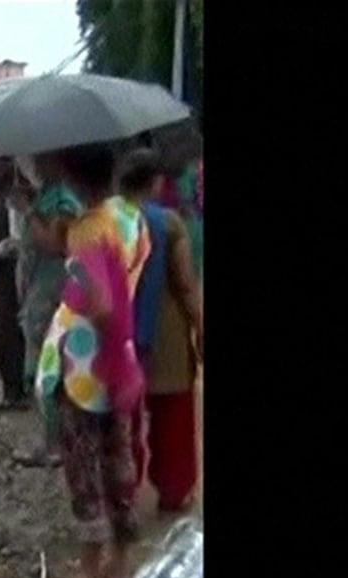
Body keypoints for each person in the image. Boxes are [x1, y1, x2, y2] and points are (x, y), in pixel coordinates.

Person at [34, 142, 146, 578]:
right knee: (116, 458)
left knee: (83, 469)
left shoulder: (85, 231)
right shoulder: (127, 217)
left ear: (71, 175)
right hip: (121, 359)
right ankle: (121, 560)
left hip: (87, 366)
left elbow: (97, 301)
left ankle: (89, 577)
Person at [120, 149, 203, 514]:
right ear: (155, 182)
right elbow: (185, 286)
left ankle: (123, 491)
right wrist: (200, 325)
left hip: (119, 336)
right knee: (172, 416)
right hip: (166, 337)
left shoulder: (107, 222)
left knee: (125, 420)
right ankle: (173, 491)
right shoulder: (168, 223)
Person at [12, 153, 77, 467]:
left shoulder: (64, 200)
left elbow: (55, 244)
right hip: (38, 289)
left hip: (52, 291)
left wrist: (27, 212)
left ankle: (54, 445)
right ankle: (51, 439)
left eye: (42, 160)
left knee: (48, 370)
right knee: (40, 367)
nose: (35, 166)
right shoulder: (47, 195)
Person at [0, 157, 27, 407]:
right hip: (7, 271)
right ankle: (15, 388)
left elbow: (17, 236)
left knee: (9, 332)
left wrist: (3, 251)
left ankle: (15, 391)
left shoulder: (14, 193)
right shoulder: (5, 193)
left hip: (13, 274)